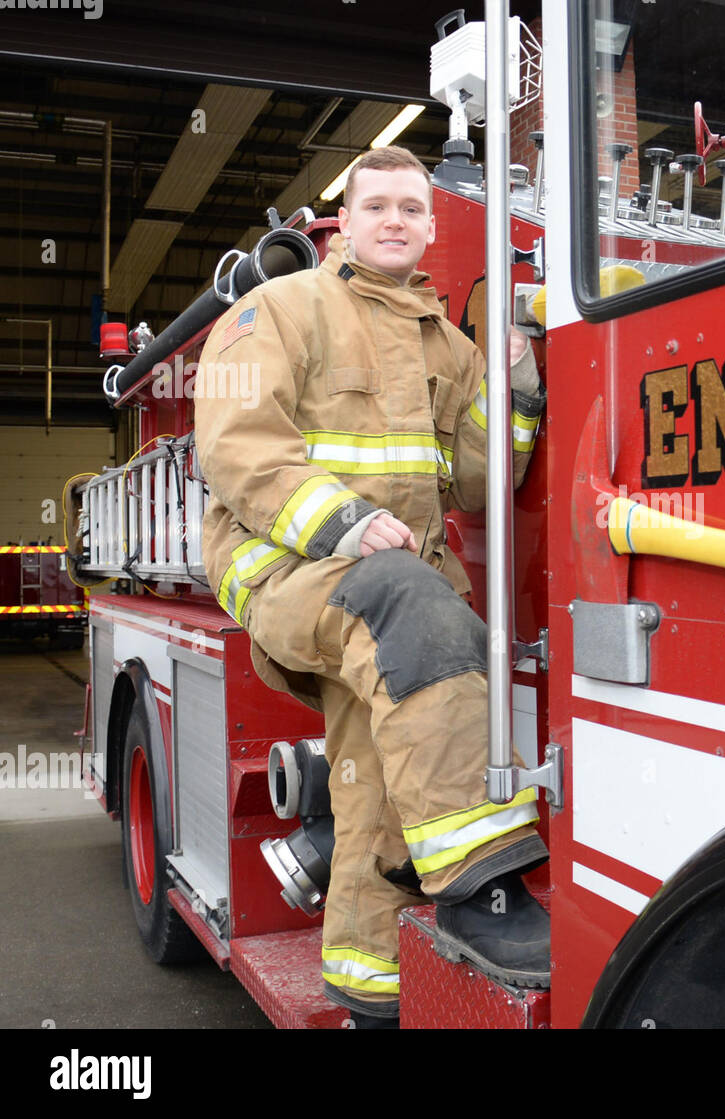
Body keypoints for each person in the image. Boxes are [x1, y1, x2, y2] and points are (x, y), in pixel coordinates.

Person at [195, 145, 548, 1028]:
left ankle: (370, 999)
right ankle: (487, 888)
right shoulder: (279, 307)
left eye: (411, 208)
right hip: (287, 571)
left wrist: (517, 391)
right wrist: (339, 523)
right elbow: (235, 444)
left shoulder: (453, 348)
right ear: (343, 222)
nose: (394, 220)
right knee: (405, 602)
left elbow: (478, 488)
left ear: (431, 227)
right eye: (376, 205)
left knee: (376, 790)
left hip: (396, 600)